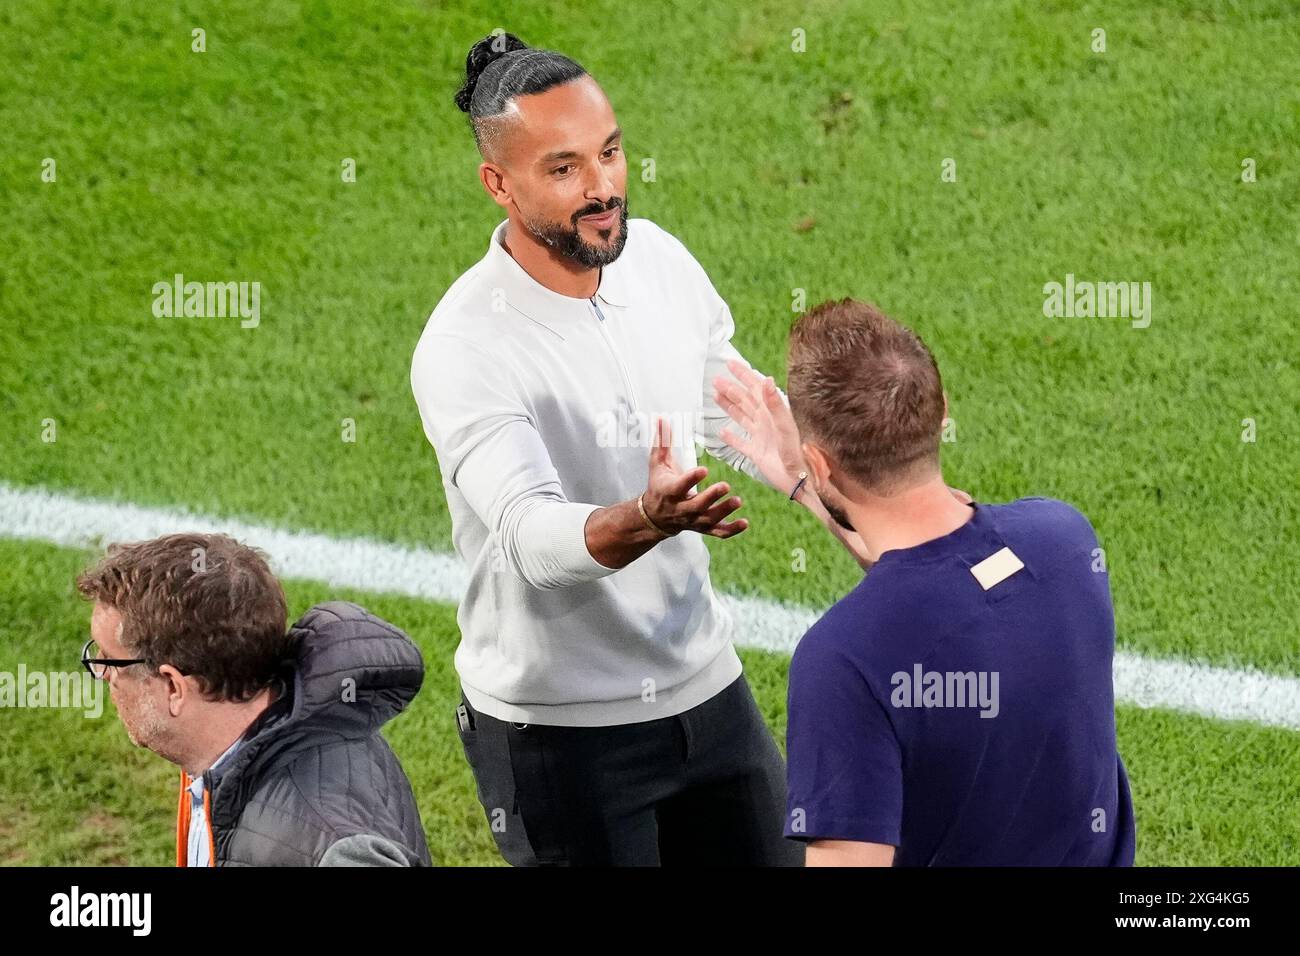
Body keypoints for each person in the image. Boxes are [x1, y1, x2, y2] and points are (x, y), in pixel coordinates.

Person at [409, 32, 841, 865]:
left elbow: (744, 409)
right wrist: (647, 516)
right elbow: (532, 541)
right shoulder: (466, 345)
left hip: (707, 691)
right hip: (558, 738)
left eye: (610, 153)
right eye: (564, 168)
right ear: (498, 184)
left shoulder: (661, 265)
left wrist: (833, 488)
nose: (603, 187)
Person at [713, 298, 1136, 866]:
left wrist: (810, 480)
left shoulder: (843, 661)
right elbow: (936, 581)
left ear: (822, 460)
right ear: (942, 412)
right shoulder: (1065, 541)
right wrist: (802, 483)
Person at [76, 532, 432, 867]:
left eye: (108, 660)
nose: (103, 674)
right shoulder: (226, 756)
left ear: (174, 688)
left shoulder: (333, 845)